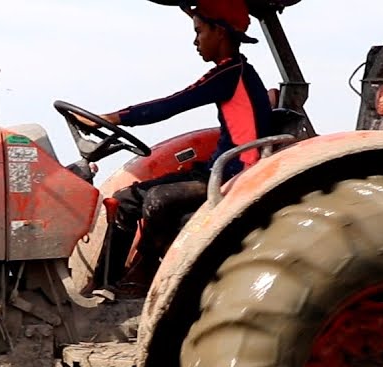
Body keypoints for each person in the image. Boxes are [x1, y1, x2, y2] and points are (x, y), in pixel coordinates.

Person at [84, 0, 273, 294]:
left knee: (159, 199)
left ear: (219, 32)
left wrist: (113, 118)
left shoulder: (230, 73)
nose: (195, 41)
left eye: (199, 31)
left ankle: (143, 275)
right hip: (218, 170)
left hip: (236, 175)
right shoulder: (235, 73)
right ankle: (104, 285)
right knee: (125, 199)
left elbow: (173, 104)